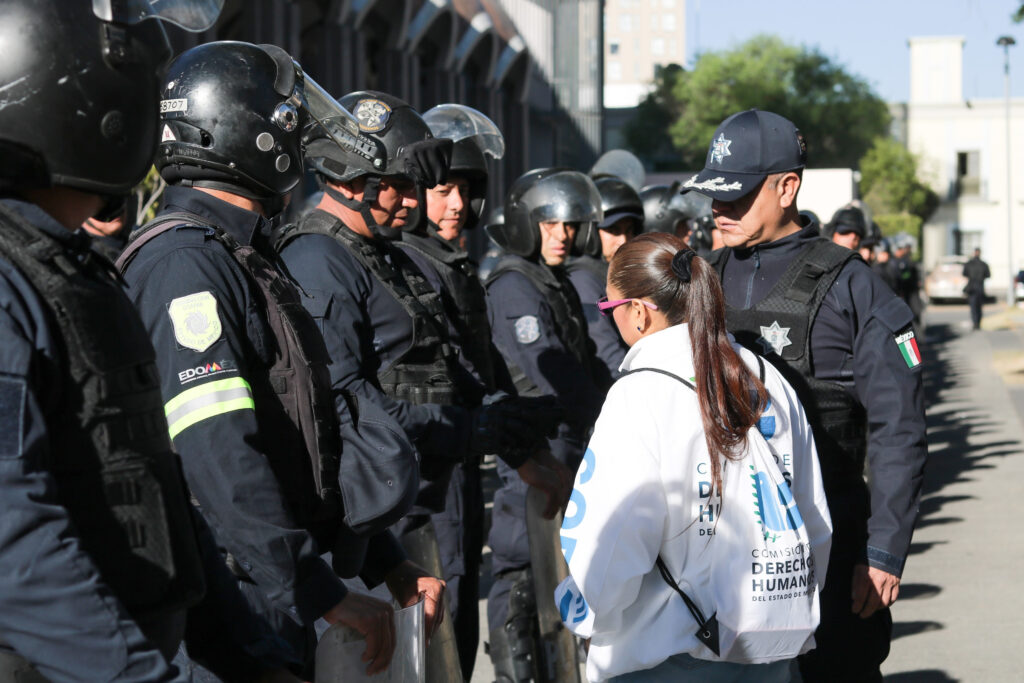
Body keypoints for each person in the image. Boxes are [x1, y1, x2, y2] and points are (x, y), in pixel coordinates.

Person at [118, 43, 444, 680]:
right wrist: (318, 593)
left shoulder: (245, 255)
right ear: (251, 135)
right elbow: (220, 456)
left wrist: (386, 562)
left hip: (281, 588)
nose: (302, 140)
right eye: (291, 122)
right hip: (242, 604)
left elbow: (309, 431)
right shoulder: (186, 264)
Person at [0, 2, 302, 680]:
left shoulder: (76, 272)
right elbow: (12, 541)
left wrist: (250, 655)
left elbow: (156, 494)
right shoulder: (10, 281)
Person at [276, 91, 568, 681]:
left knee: (447, 654)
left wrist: (504, 426)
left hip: (424, 495)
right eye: (399, 184)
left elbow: (448, 364)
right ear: (350, 172)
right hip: (377, 518)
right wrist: (465, 429)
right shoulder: (318, 257)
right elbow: (342, 403)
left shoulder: (384, 255)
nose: (413, 201)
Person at [683, 109, 927, 682]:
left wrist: (884, 550)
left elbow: (900, 427)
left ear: (787, 187)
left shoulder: (852, 285)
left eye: (737, 196)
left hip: (831, 541)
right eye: (714, 196)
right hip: (727, 543)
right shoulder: (703, 280)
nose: (720, 209)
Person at [556, 233, 832, 682]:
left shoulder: (639, 393)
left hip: (663, 655)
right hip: (773, 651)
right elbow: (811, 518)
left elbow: (611, 540)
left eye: (610, 310)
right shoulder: (769, 379)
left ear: (639, 312)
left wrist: (587, 618)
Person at [395, 103, 565, 680]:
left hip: (459, 474)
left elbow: (483, 374)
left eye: (465, 190)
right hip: (414, 486)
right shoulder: (403, 267)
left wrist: (528, 445)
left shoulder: (450, 266)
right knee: (428, 651)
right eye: (443, 189)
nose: (457, 206)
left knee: (458, 640)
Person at [484, 168, 606, 680]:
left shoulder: (548, 279)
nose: (562, 235)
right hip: (536, 451)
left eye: (570, 226)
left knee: (558, 577)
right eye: (550, 224)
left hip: (566, 445)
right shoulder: (515, 285)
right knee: (521, 568)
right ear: (525, 224)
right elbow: (550, 371)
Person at [567, 175, 643, 383]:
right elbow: (605, 349)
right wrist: (637, 388)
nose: (624, 241)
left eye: (629, 231)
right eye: (613, 230)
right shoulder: (585, 279)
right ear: (591, 232)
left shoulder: (619, 274)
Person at [963, 248, 991, 330]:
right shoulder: (983, 264)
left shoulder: (969, 264)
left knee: (974, 306)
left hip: (972, 287)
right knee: (978, 306)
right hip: (979, 287)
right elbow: (988, 275)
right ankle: (977, 322)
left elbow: (964, 273)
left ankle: (976, 322)